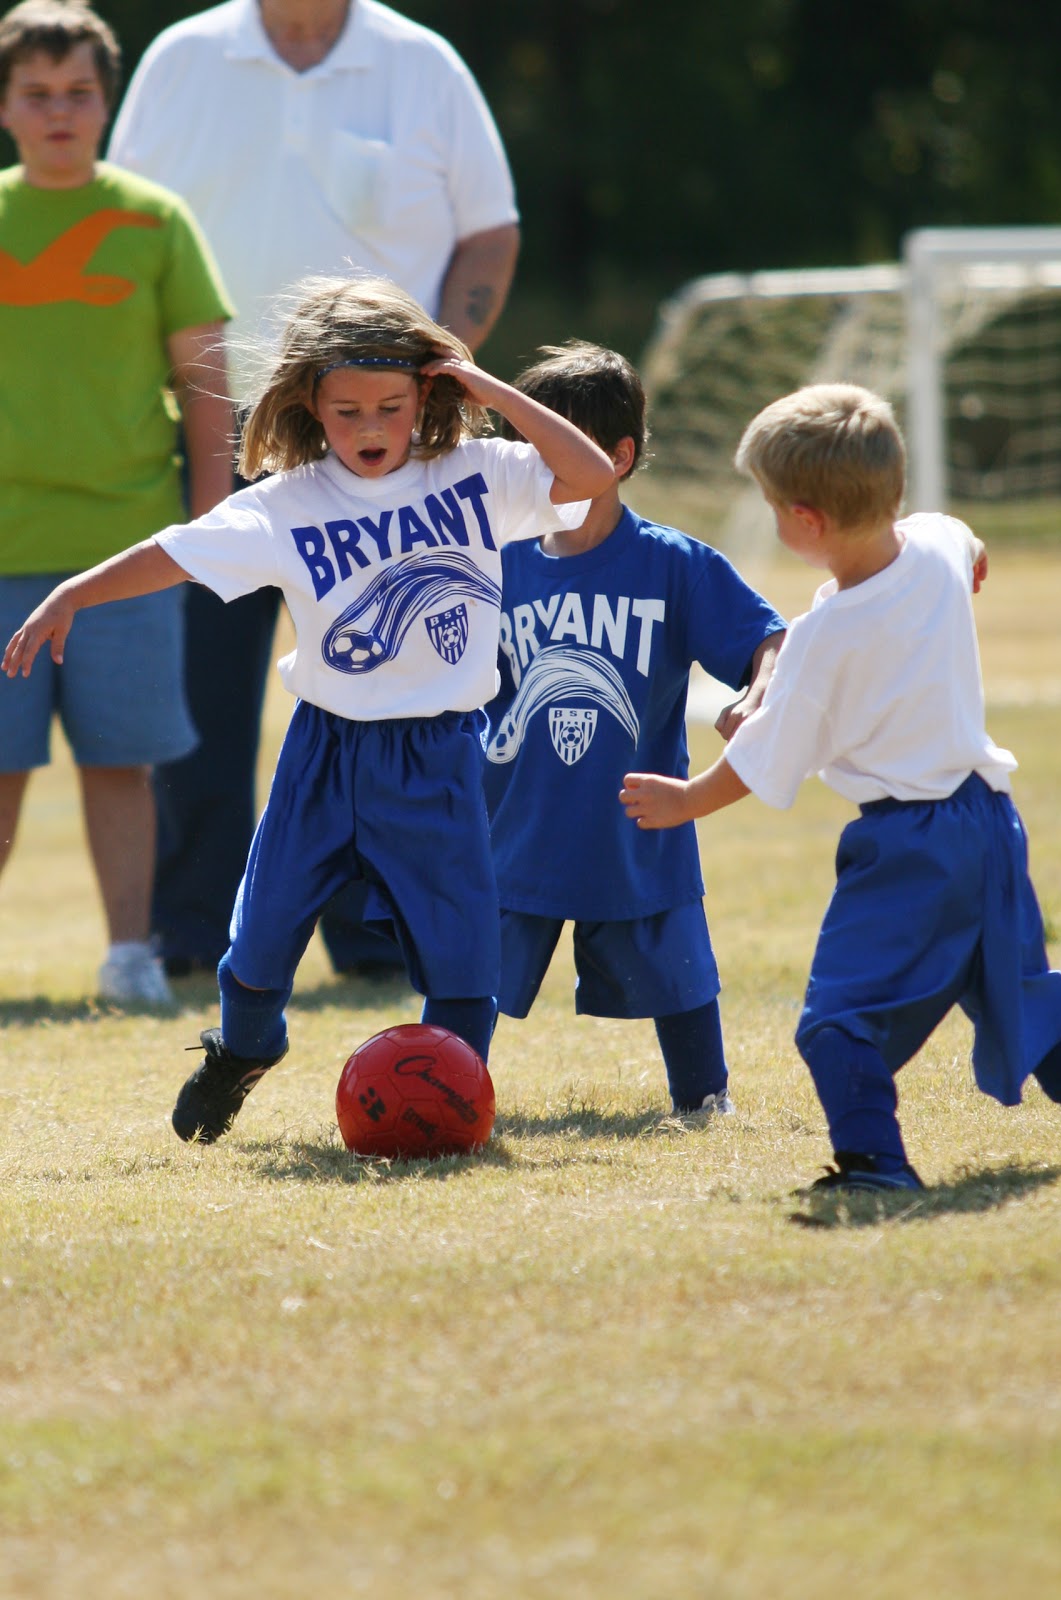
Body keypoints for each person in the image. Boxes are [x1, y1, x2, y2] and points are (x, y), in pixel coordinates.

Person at [4, 275, 614, 1143]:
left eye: (390, 407)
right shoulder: (287, 504)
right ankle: (246, 1049)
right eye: (347, 410)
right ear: (310, 406)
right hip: (324, 753)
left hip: (438, 756)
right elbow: (173, 553)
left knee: (461, 956)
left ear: (425, 396)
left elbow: (590, 475)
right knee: (259, 943)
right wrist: (73, 593)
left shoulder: (480, 473)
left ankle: (451, 1097)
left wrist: (481, 384)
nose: (370, 427)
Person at [107, 0, 521, 981]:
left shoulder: (421, 63)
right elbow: (127, 236)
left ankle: (378, 931)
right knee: (203, 697)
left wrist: (432, 385)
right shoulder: (180, 60)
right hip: (212, 425)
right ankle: (196, 932)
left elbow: (489, 234)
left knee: (381, 685)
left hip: (381, 434)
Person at [621, 383, 1061, 1189]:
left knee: (836, 1020)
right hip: (989, 823)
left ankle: (874, 1167)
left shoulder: (823, 638)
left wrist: (684, 800)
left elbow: (762, 759)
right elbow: (961, 539)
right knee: (1021, 992)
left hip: (909, 848)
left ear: (804, 520)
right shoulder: (932, 545)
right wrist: (974, 560)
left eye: (770, 504)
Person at [483, 342, 786, 1118]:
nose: (538, 474)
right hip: (513, 820)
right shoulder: (496, 563)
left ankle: (704, 1100)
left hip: (633, 818)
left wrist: (757, 692)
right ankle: (441, 1094)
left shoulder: (672, 564)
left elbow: (770, 640)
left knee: (675, 961)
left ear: (616, 458)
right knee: (470, 972)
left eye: (558, 454)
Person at [0, 0, 233, 1004]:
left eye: (78, 92)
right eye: (37, 93)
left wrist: (210, 531)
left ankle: (131, 956)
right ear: (5, 105)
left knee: (122, 761)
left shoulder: (156, 219)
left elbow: (208, 385)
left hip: (125, 547)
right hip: (3, 549)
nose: (59, 111)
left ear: (107, 100)